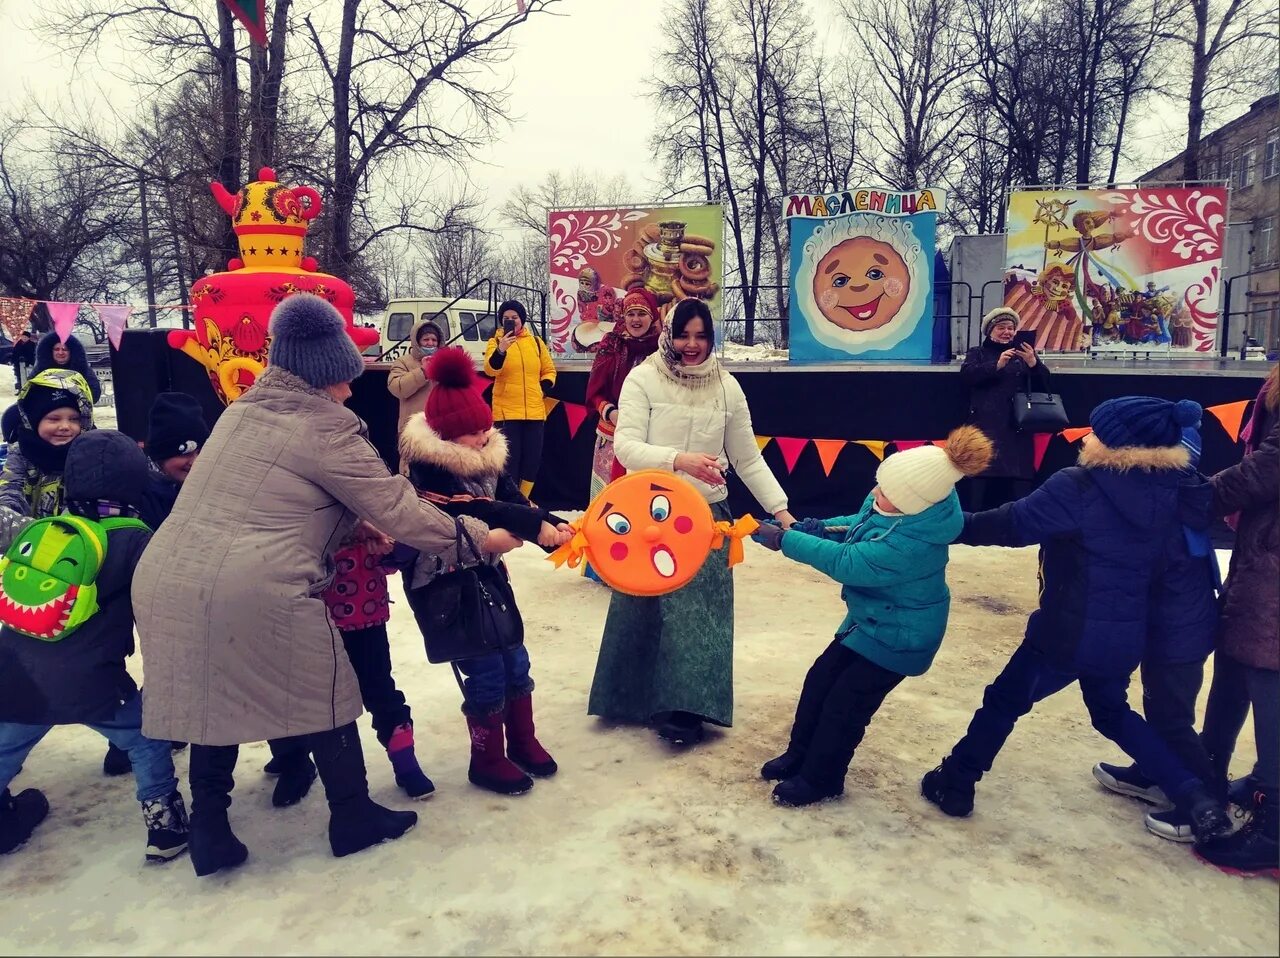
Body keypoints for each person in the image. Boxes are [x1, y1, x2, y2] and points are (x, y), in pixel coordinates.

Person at [131, 294, 520, 877]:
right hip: (257, 584)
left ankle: (210, 830)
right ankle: (353, 814)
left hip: (168, 575)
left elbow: (270, 500)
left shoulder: (240, 413)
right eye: (345, 379)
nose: (350, 391)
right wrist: (475, 538)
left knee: (207, 699)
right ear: (325, 376)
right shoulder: (327, 426)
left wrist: (350, 524)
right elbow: (400, 508)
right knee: (324, 689)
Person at [920, 397, 1233, 845]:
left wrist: (941, 523)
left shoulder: (1080, 486)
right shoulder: (1174, 489)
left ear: (1116, 441)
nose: (1086, 435)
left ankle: (955, 780)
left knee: (1005, 701)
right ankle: (1195, 797)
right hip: (1125, 634)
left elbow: (1009, 525)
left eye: (1097, 430)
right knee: (1112, 712)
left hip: (1066, 632)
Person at [587, 298, 796, 746]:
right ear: (669, 333)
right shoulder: (642, 378)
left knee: (700, 617)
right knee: (644, 606)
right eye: (684, 334)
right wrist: (678, 460)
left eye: (702, 336)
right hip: (651, 514)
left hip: (706, 518)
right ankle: (629, 696)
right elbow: (626, 447)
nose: (692, 345)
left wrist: (780, 509)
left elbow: (747, 458)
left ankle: (686, 709)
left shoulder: (727, 388)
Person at [752, 426, 993, 807]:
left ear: (914, 504)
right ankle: (800, 756)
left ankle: (822, 778)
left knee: (844, 706)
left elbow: (848, 561)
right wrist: (814, 527)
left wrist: (785, 540)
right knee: (820, 680)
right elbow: (859, 523)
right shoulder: (896, 501)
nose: (876, 493)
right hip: (872, 620)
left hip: (902, 636)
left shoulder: (913, 544)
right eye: (879, 485)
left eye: (885, 492)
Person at [0, 430, 189, 863]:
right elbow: (160, 609)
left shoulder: (46, 530)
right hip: (93, 683)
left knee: (6, 747)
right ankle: (165, 824)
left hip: (15, 676)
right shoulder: (137, 538)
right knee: (144, 740)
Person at [399, 346, 569, 795]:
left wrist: (549, 522)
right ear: (446, 437)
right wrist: (528, 526)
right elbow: (472, 508)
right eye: (471, 433)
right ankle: (487, 759)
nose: (481, 437)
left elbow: (512, 501)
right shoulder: (427, 472)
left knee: (516, 659)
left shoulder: (488, 460)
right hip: (447, 589)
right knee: (487, 673)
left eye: (484, 428)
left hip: (488, 580)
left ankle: (523, 740)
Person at [1089, 417, 1221, 841]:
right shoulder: (1174, 495)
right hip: (1169, 625)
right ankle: (1153, 772)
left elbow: (1150, 569)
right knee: (1158, 706)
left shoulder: (1166, 508)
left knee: (1171, 717)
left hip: (1178, 630)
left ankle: (1206, 802)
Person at [263, 526, 436, 805]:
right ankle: (294, 761)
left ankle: (406, 763)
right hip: (309, 617)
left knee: (380, 690)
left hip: (366, 614)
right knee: (309, 696)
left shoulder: (373, 488)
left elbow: (402, 546)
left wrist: (388, 545)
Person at [1195, 365, 1279, 876]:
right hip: (1261, 551)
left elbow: (1269, 466)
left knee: (1268, 674)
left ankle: (1273, 824)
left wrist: (1193, 496)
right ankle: (1206, 776)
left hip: (1272, 561)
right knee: (1236, 663)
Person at [101, 392, 211, 777]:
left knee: (183, 666)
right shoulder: (147, 491)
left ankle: (168, 727)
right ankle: (128, 743)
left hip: (194, 589)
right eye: (183, 453)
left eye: (200, 452)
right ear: (159, 453)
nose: (192, 462)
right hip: (155, 592)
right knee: (166, 668)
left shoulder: (202, 485)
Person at [582, 288, 662, 581]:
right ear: (623, 316)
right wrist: (610, 412)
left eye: (642, 313)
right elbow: (594, 393)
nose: (636, 319)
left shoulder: (663, 348)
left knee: (645, 503)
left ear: (652, 316)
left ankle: (645, 565)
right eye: (631, 313)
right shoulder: (611, 345)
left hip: (650, 439)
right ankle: (606, 567)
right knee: (610, 500)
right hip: (612, 437)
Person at [959, 307, 1050, 511]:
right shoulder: (978, 353)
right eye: (1001, 327)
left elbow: (1044, 386)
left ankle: (1021, 527)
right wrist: (997, 365)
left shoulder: (1024, 355)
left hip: (1017, 426)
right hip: (985, 426)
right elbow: (967, 376)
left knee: (1019, 478)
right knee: (980, 475)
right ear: (990, 330)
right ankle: (973, 525)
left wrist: (1033, 364)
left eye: (1011, 328)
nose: (1007, 332)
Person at [0, 368, 95, 550]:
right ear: (34, 421)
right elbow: (9, 494)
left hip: (79, 552)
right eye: (54, 419)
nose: (65, 426)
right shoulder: (21, 454)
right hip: (27, 550)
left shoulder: (92, 453)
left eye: (74, 419)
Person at [482, 300, 556, 499]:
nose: (510, 321)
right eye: (506, 318)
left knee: (532, 462)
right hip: (507, 413)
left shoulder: (537, 343)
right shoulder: (495, 342)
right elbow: (491, 370)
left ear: (522, 319)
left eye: (514, 318)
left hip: (534, 412)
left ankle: (523, 500)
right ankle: (509, 500)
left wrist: (543, 387)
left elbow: (549, 370)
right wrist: (502, 350)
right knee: (510, 462)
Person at [3, 333, 102, 444]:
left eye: (65, 349)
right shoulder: (40, 370)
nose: (60, 352)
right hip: (46, 422)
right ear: (51, 351)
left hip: (78, 421)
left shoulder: (84, 370)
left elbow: (94, 393)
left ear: (71, 352)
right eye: (57, 349)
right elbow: (29, 395)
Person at [386, 317, 444, 453]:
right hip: (413, 428)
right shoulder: (403, 362)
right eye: (426, 339)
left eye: (434, 340)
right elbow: (397, 388)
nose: (430, 343)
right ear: (417, 341)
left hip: (440, 425)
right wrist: (422, 371)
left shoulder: (444, 362)